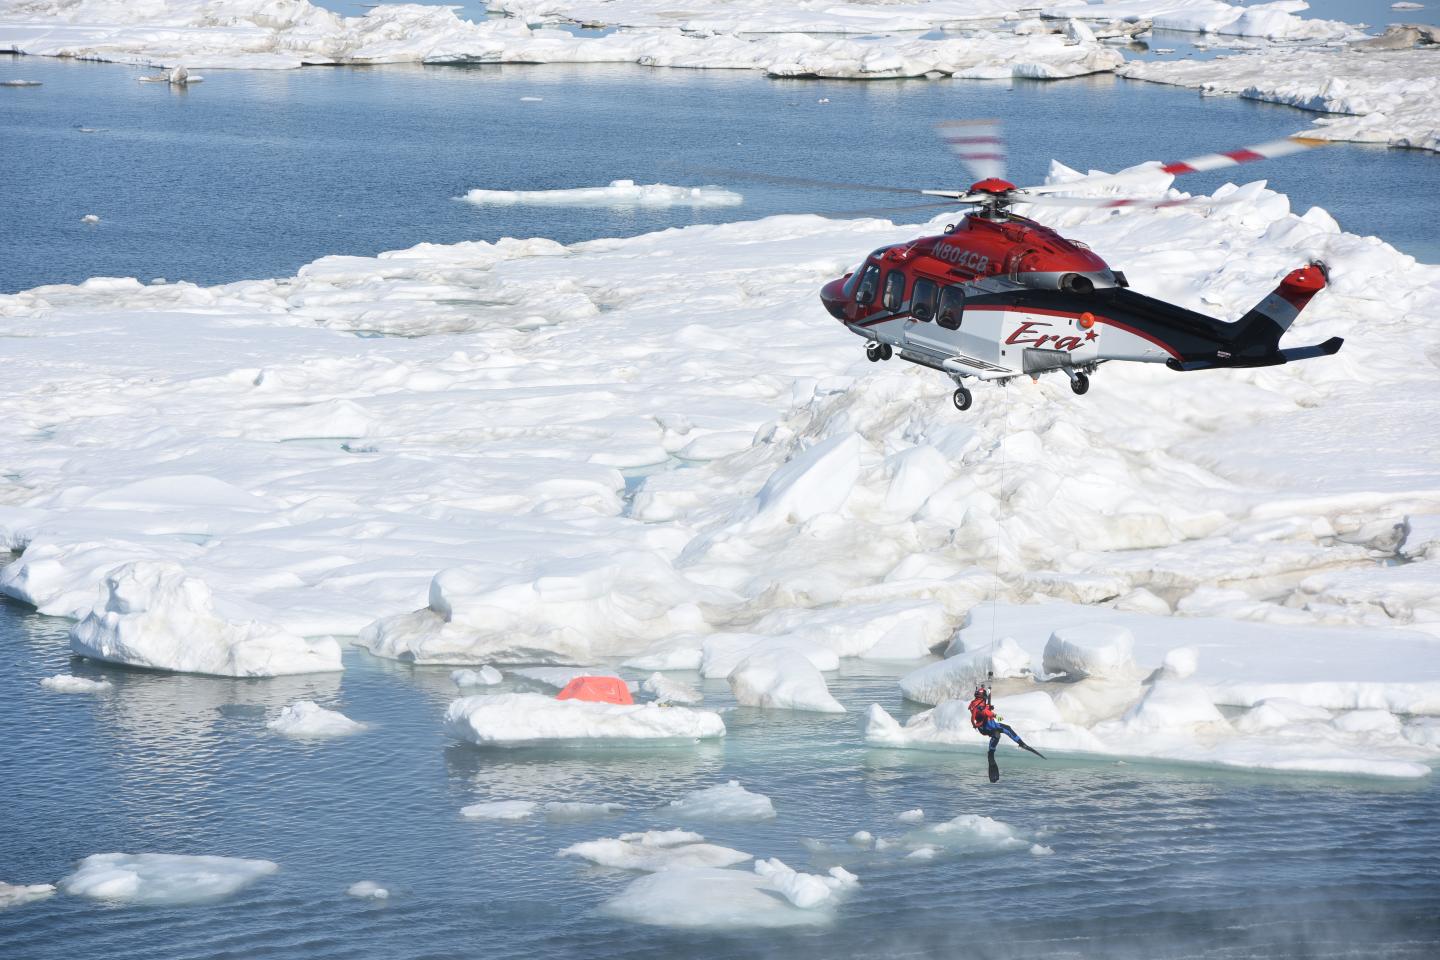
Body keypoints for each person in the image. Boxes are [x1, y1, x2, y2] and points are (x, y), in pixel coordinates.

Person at [968, 683, 1025, 757]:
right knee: (996, 735)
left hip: (990, 724)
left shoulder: (977, 702)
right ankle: (991, 753)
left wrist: (988, 706)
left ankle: (1021, 743)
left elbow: (984, 706)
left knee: (1007, 728)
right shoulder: (979, 706)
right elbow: (986, 712)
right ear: (982, 696)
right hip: (985, 727)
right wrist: (997, 717)